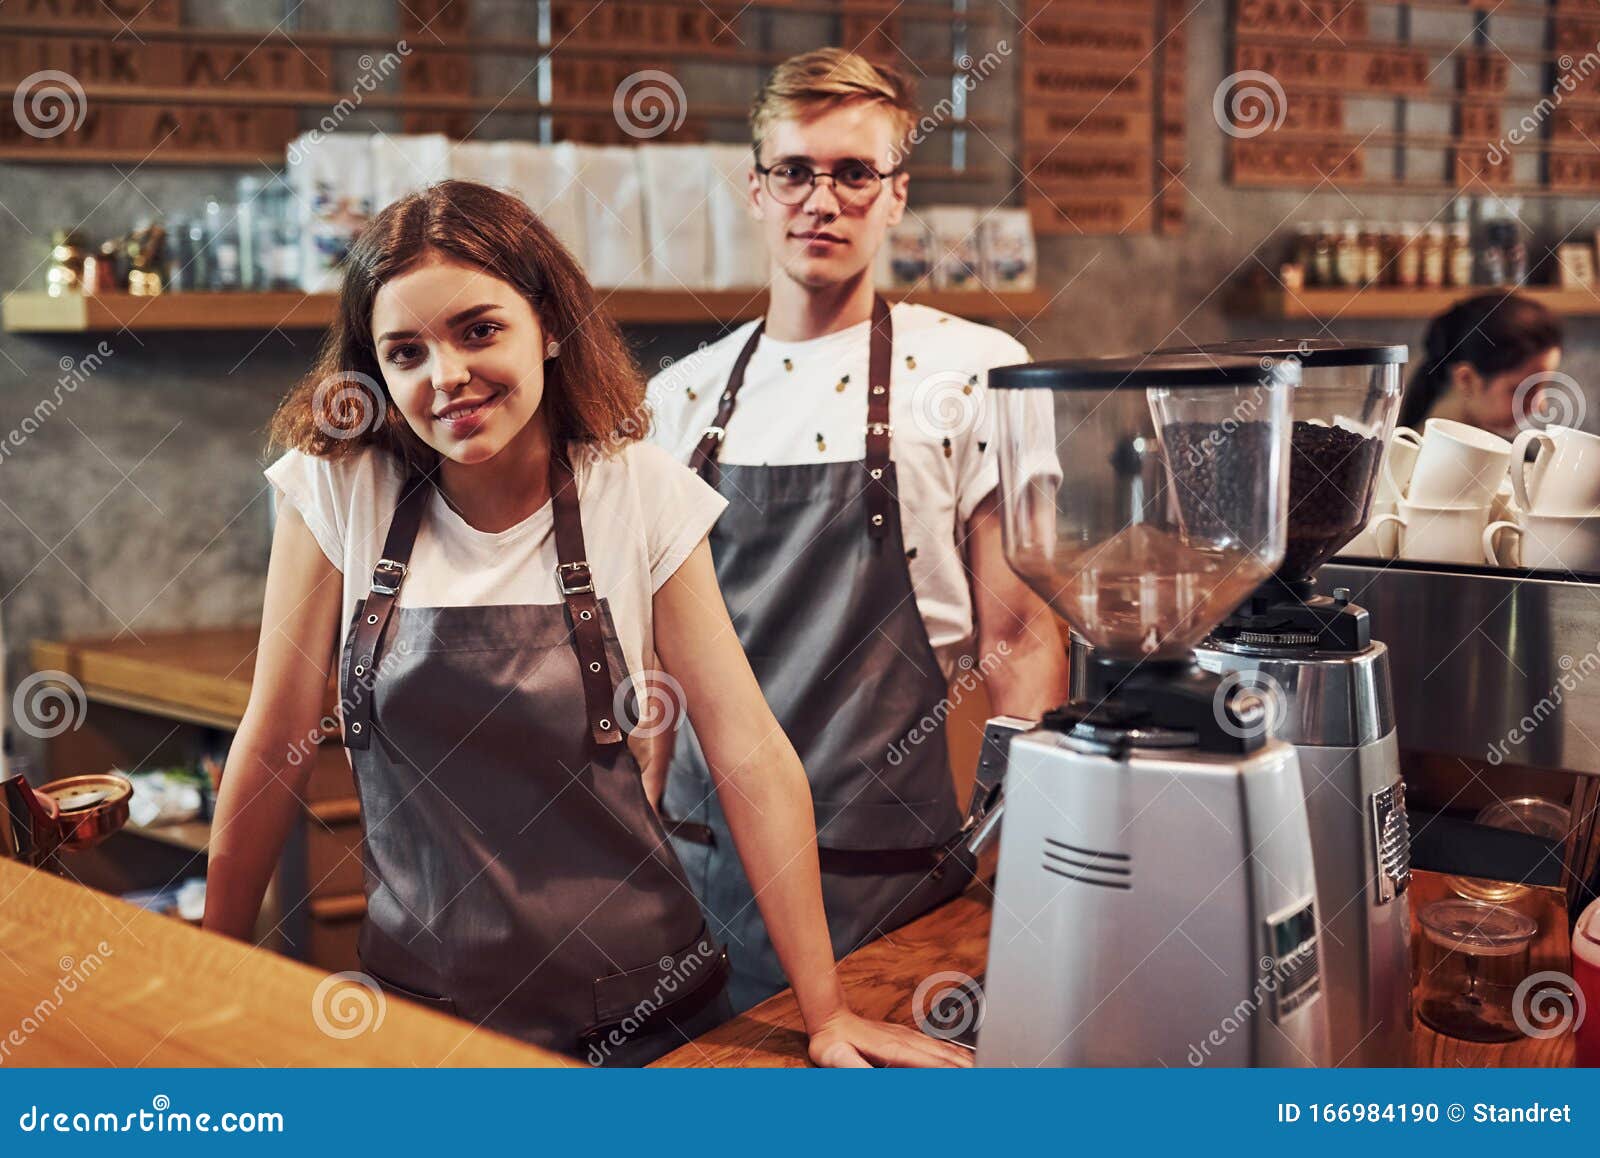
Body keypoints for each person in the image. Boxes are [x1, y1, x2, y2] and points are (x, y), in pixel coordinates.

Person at [203, 180, 970, 1069]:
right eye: (404, 352)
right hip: (420, 1019)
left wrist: (825, 1011)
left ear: (550, 325)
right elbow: (271, 744)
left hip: (643, 1014)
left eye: (479, 330)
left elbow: (747, 750)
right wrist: (206, 970)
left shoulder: (636, 487)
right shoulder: (337, 488)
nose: (445, 375)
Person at [647, 48, 1070, 1010]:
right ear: (757, 190)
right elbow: (656, 670)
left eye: (853, 173)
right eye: (795, 171)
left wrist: (1023, 855)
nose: (821, 199)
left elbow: (1018, 639)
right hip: (700, 864)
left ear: (894, 195)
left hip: (892, 874)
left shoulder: (974, 372)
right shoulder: (679, 400)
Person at [1398, 292, 1565, 436]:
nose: (1541, 405)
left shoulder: (1516, 458)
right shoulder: (1398, 465)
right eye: (1525, 390)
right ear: (1466, 380)